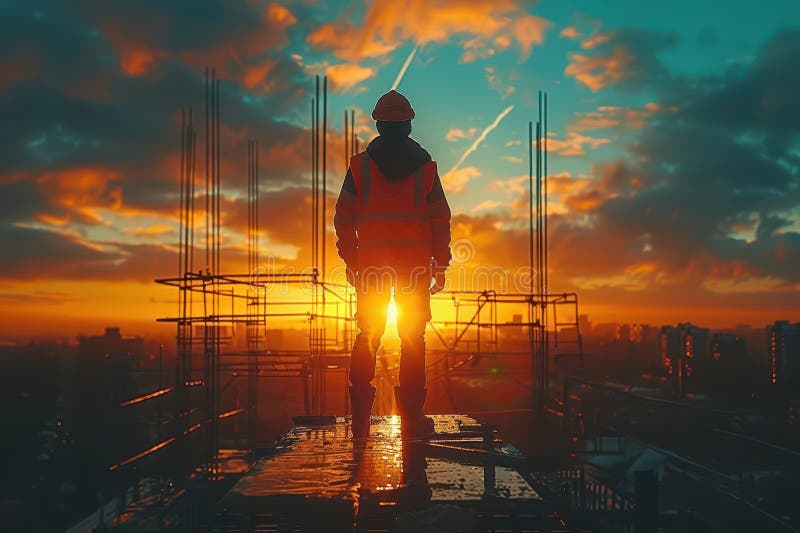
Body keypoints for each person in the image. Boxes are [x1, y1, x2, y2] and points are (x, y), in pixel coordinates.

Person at [334, 90, 452, 438]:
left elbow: (343, 218)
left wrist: (352, 258)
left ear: (379, 123)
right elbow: (440, 220)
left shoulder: (360, 167)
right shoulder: (426, 168)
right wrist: (440, 263)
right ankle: (412, 420)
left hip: (370, 267)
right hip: (414, 268)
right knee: (413, 338)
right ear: (410, 124)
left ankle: (359, 420)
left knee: (368, 333)